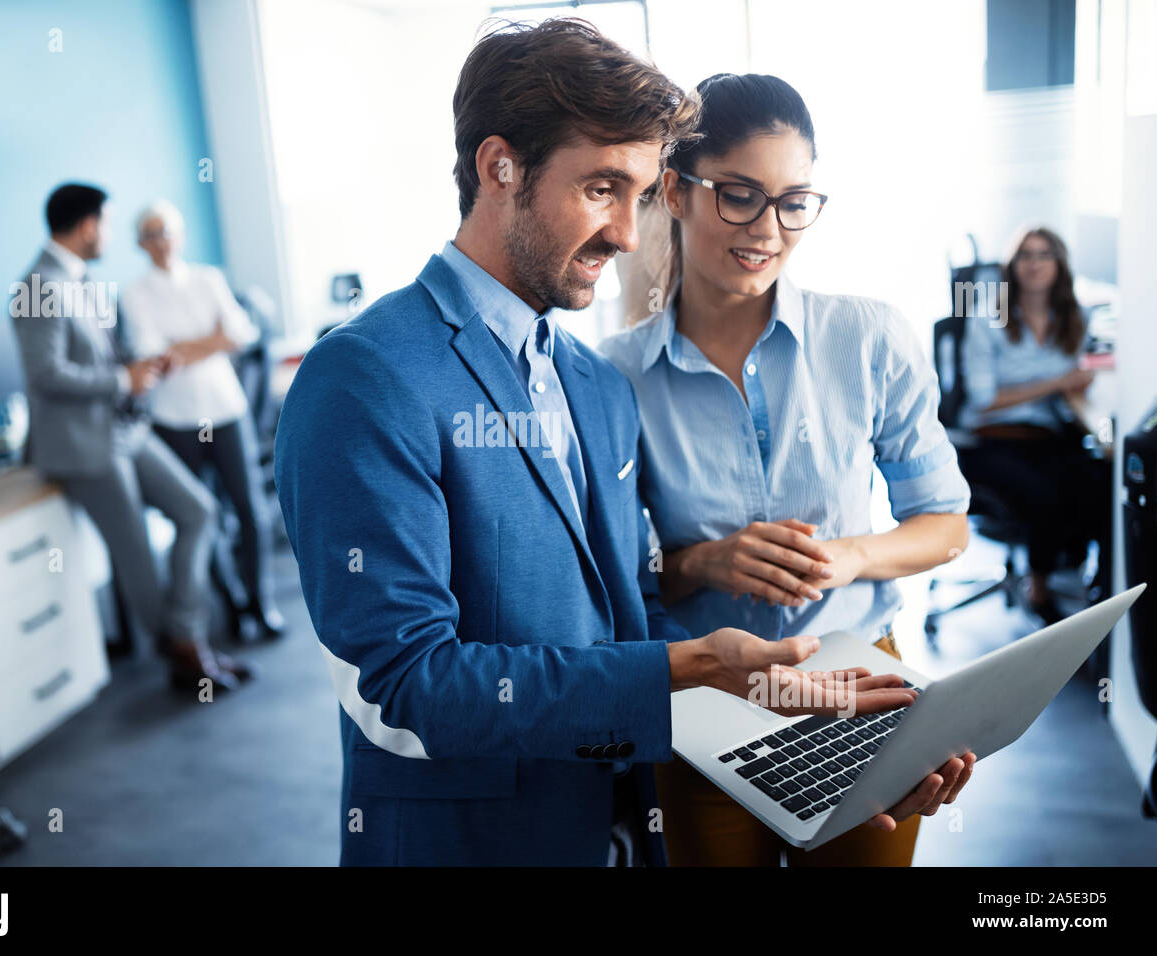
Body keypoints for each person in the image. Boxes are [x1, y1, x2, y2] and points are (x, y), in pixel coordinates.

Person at [276, 22, 960, 867]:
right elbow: (406, 690)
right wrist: (701, 664)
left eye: (636, 196)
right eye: (603, 187)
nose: (630, 236)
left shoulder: (591, 385)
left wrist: (785, 693)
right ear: (500, 168)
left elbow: (626, 621)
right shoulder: (366, 375)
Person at [599, 73, 976, 866]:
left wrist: (852, 555)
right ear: (675, 191)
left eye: (793, 201)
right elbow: (612, 590)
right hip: (709, 700)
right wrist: (702, 562)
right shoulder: (613, 378)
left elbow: (945, 525)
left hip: (859, 687)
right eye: (738, 195)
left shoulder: (868, 338)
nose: (767, 228)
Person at [11, 183, 252, 695]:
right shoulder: (37, 286)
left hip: (122, 430)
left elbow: (92, 360)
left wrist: (133, 368)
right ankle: (188, 655)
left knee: (198, 510)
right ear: (87, 225)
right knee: (138, 556)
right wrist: (124, 380)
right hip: (83, 446)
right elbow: (45, 376)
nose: (111, 236)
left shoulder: (80, 279)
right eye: (108, 224)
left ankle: (186, 638)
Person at [121, 200, 286, 639]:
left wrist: (190, 346)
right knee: (202, 514)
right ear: (140, 243)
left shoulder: (208, 279)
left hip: (225, 411)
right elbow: (156, 357)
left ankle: (260, 601)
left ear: (180, 235)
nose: (161, 240)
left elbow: (241, 333)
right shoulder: (135, 293)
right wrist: (212, 340)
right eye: (151, 233)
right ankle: (231, 603)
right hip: (174, 420)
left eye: (167, 230)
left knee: (250, 510)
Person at [959, 226, 1112, 622]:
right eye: (1026, 255)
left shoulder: (1074, 317)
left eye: (1045, 255)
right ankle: (1038, 589)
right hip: (991, 438)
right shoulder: (989, 313)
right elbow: (983, 399)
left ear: (1059, 265)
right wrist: (1058, 383)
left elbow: (1082, 368)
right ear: (1013, 265)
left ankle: (1099, 587)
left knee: (1099, 482)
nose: (1035, 263)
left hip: (1045, 435)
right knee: (1045, 493)